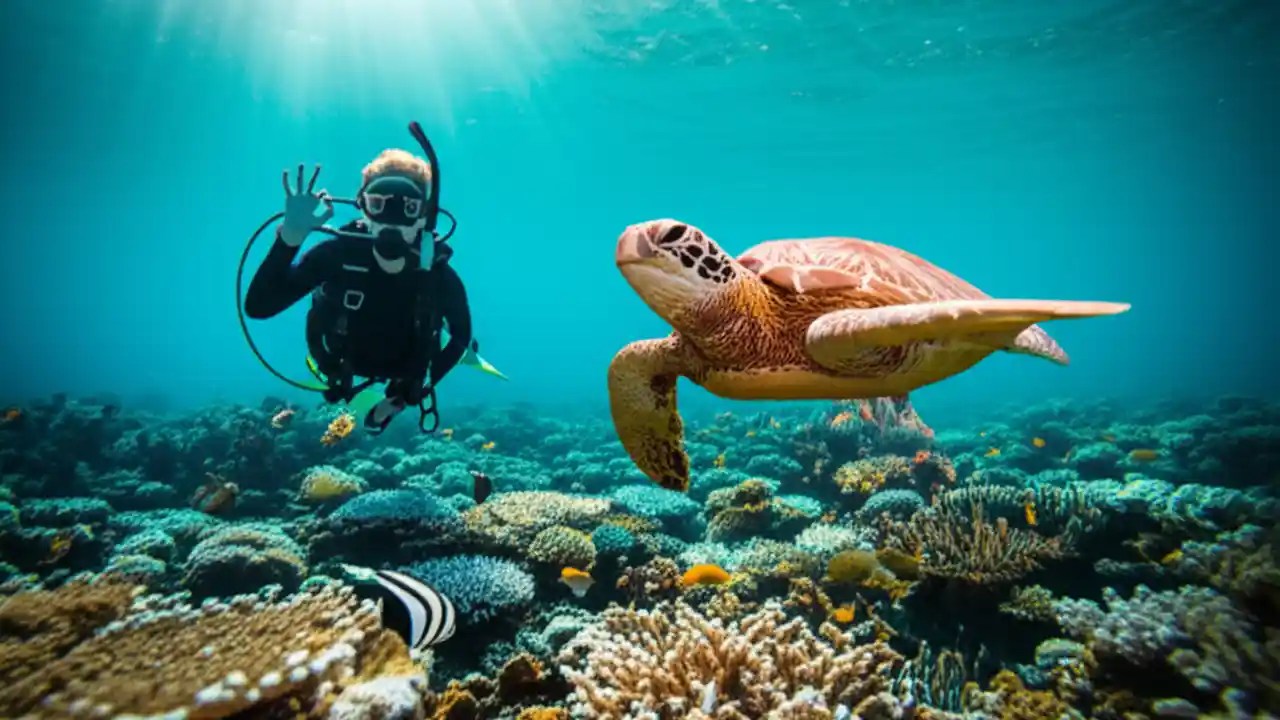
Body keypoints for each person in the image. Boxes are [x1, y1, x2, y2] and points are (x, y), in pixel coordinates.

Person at [244, 149, 472, 433]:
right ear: (362, 207)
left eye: (408, 208)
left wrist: (422, 385)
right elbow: (259, 306)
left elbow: (462, 335)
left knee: (418, 376)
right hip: (341, 365)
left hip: (405, 369)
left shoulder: (435, 273)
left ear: (424, 215)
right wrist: (290, 237)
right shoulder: (337, 255)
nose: (391, 219)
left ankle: (395, 400)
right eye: (379, 204)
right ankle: (386, 399)